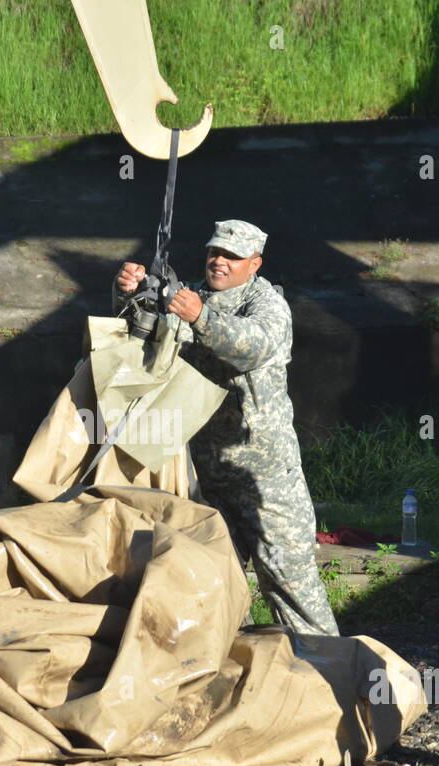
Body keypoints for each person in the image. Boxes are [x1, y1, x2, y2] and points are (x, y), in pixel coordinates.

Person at [113, 219, 339, 638]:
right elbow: (148, 339)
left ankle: (331, 673)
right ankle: (239, 672)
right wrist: (129, 294)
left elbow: (250, 349)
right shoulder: (191, 294)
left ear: (254, 263)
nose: (219, 262)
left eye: (232, 257)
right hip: (205, 471)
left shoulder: (267, 304)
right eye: (214, 252)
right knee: (213, 582)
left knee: (289, 580)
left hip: (264, 474)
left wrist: (201, 318)